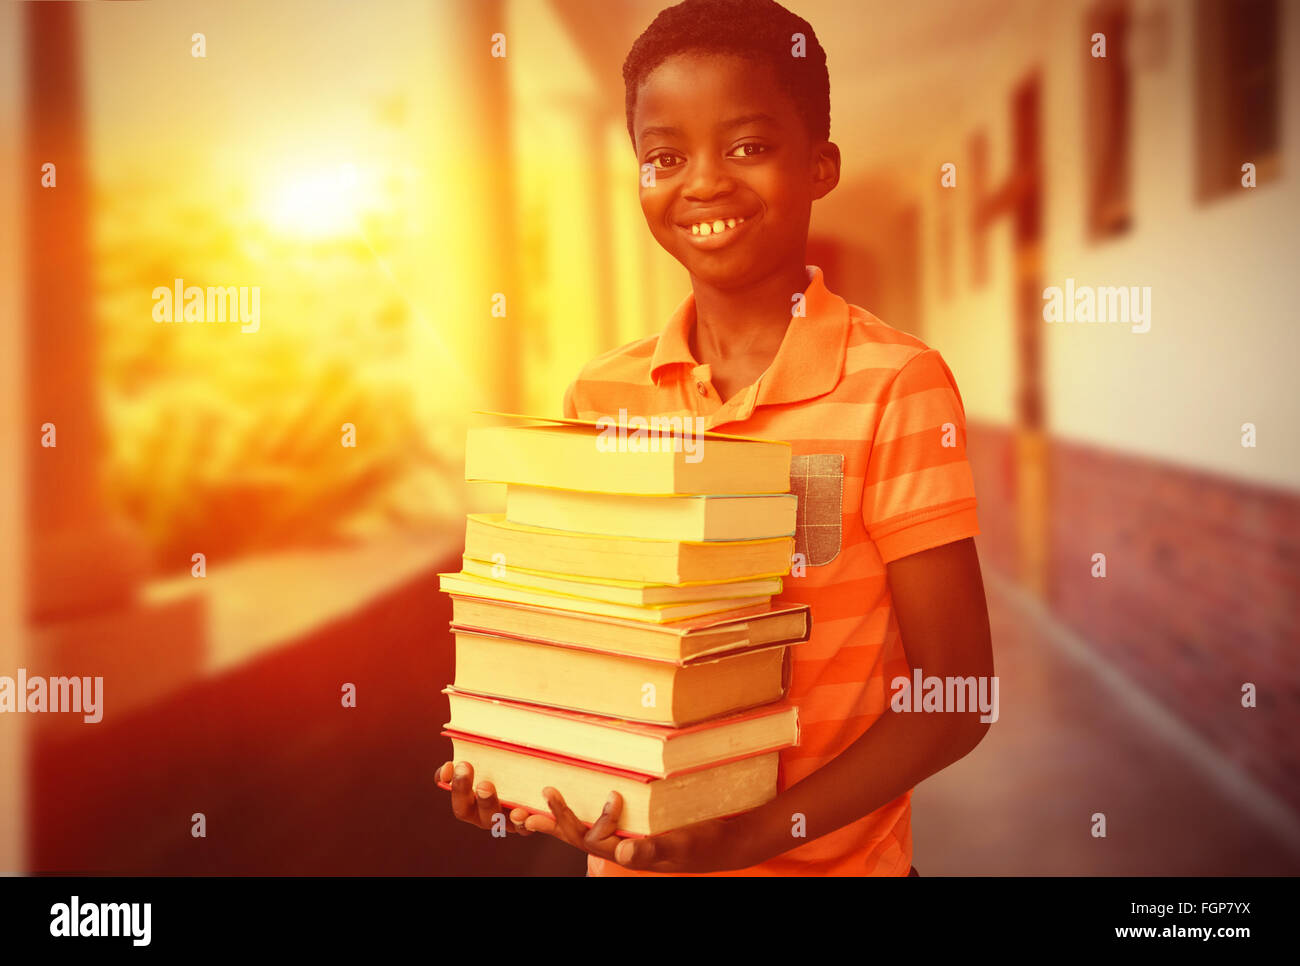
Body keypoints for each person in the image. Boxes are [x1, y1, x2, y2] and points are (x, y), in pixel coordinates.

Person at [438, 0, 994, 876]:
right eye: (665, 156)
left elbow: (958, 700)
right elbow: (588, 641)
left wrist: (743, 839)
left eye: (747, 146)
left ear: (820, 166)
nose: (702, 182)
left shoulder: (896, 384)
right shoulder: (602, 393)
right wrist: (523, 767)